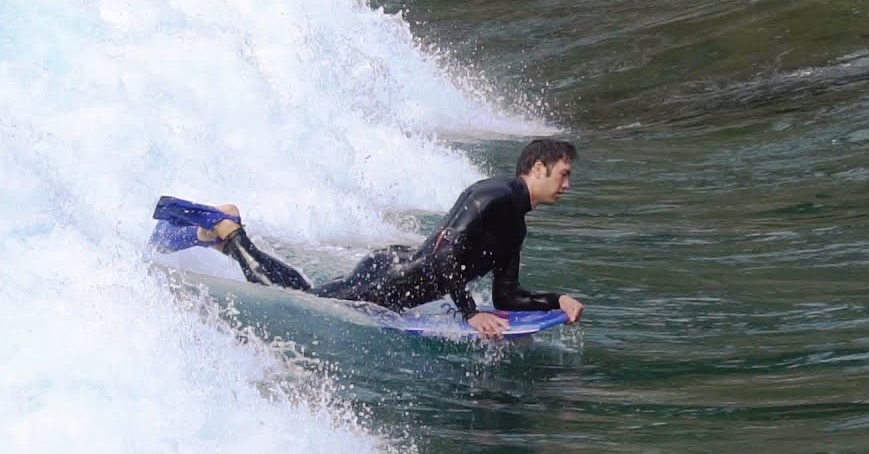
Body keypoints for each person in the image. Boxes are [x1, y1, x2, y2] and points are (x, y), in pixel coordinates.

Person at [154, 139, 585, 337]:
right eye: (563, 174)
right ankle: (230, 232)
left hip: (400, 276)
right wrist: (469, 312)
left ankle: (219, 235)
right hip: (393, 279)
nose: (567, 185)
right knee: (297, 300)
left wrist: (556, 300)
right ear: (538, 168)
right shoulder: (492, 195)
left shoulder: (516, 224)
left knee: (310, 293)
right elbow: (444, 254)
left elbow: (506, 295)